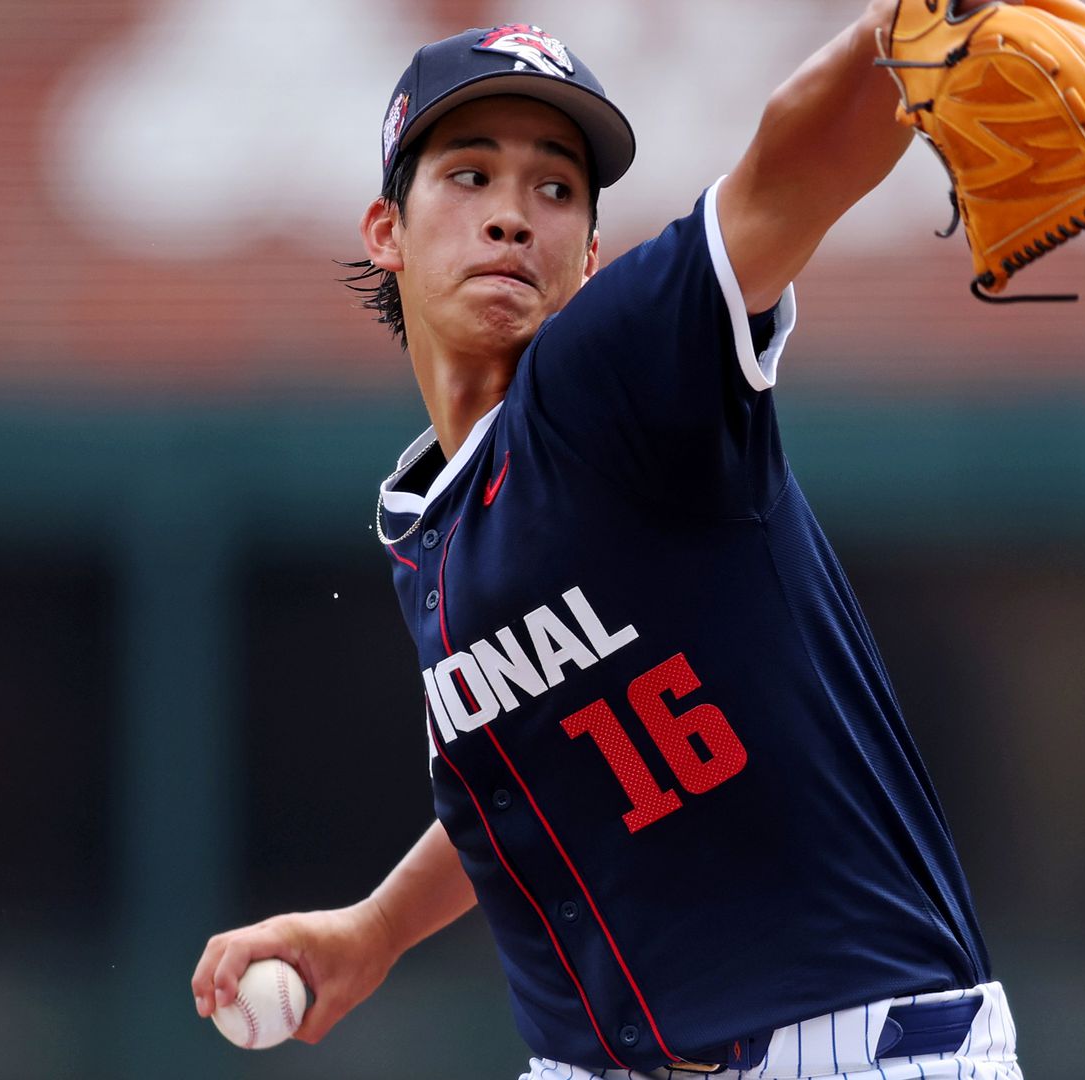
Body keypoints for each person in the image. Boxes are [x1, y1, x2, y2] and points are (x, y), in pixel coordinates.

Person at [192, 4, 1024, 1077]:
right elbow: (538, 770)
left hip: (851, 1048)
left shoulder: (613, 376)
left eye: (553, 187)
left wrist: (907, 25)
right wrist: (378, 928)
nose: (511, 216)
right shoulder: (426, 524)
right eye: (468, 174)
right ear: (386, 230)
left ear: (589, 257)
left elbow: (786, 172)